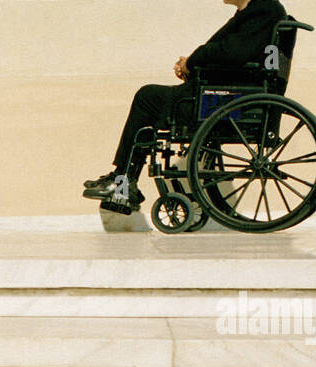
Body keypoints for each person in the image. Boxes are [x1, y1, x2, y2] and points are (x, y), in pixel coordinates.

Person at [83, 0, 288, 212]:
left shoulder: (264, 9)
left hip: (227, 101)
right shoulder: (258, 11)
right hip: (227, 97)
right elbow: (229, 52)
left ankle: (123, 182)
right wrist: (191, 64)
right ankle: (124, 182)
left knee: (147, 97)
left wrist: (191, 62)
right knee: (151, 96)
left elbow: (233, 53)